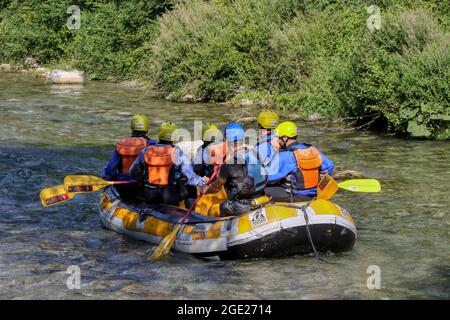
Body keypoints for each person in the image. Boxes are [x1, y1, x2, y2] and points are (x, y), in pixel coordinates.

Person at [129, 122, 205, 206]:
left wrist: (143, 181)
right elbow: (189, 175)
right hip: (169, 197)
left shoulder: (145, 151)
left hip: (149, 195)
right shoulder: (178, 153)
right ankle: (191, 213)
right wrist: (201, 181)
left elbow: (132, 172)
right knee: (190, 187)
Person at [201, 123, 268, 216]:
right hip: (262, 197)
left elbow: (216, 188)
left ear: (226, 140)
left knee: (213, 210)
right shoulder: (255, 152)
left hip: (242, 205)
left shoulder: (229, 164)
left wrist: (206, 189)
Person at [265, 121, 334, 202]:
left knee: (259, 189)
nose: (277, 141)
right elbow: (330, 166)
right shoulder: (312, 149)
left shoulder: (287, 156)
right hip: (315, 194)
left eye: (278, 138)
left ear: (285, 138)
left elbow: (269, 177)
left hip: (296, 197)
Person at [101, 114, 156, 198]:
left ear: (132, 127)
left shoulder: (121, 144)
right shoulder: (152, 145)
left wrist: (106, 179)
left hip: (123, 187)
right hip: (143, 187)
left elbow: (110, 168)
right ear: (147, 128)